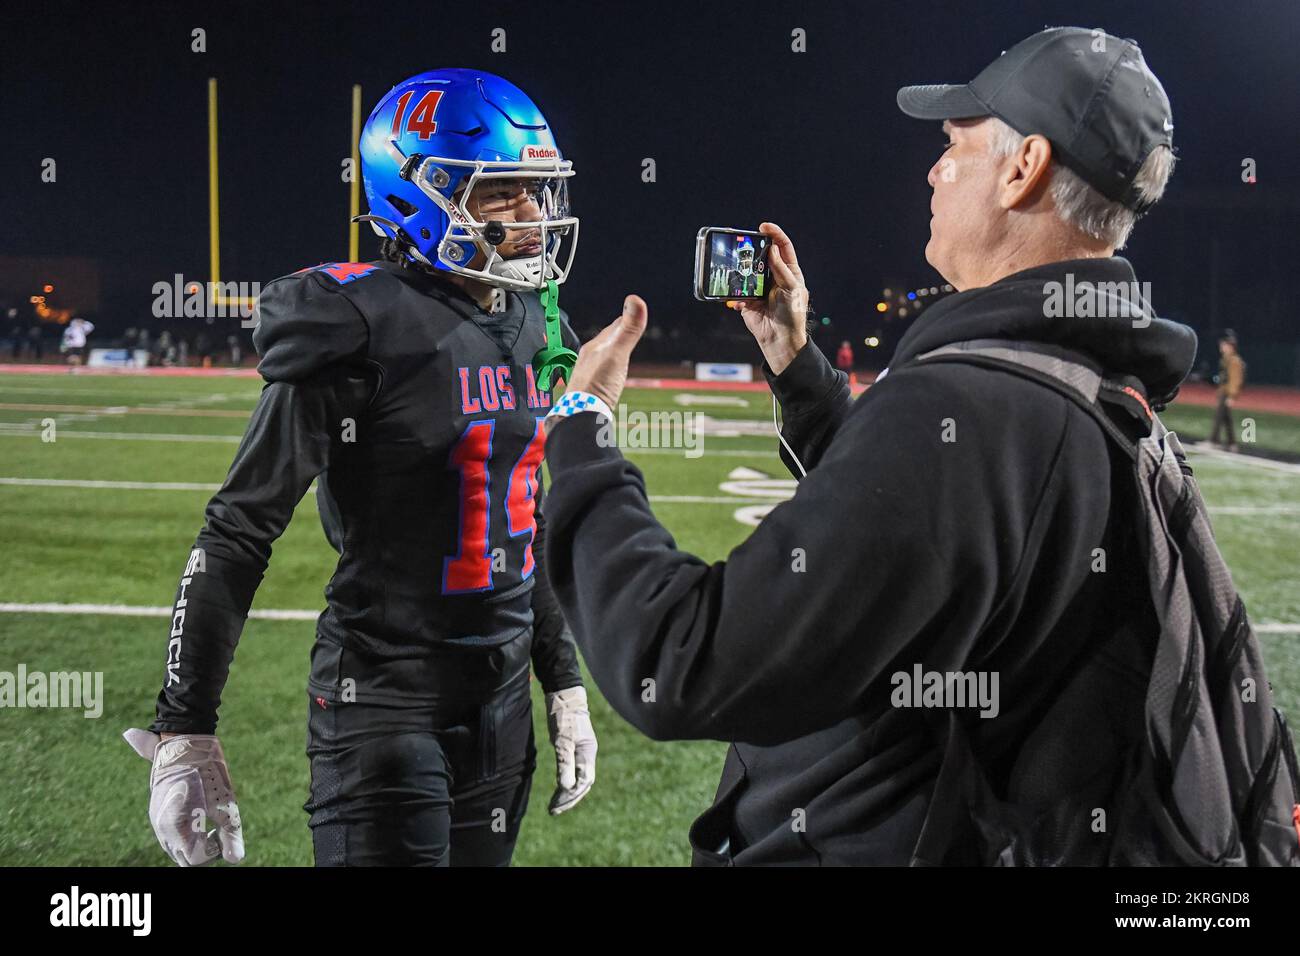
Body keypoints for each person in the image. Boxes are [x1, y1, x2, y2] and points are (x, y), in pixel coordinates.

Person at [541, 27, 1192, 864]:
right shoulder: (1091, 383)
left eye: (955, 146)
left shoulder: (969, 403)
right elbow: (939, 531)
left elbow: (676, 664)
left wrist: (584, 428)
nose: (933, 170)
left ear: (1024, 167)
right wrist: (795, 362)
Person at [124, 69, 595, 867]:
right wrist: (184, 729)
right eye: (503, 192)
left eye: (539, 191)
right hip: (380, 703)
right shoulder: (356, 327)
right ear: (419, 195)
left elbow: (527, 513)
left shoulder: (530, 323)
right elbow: (239, 529)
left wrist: (563, 678)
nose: (535, 217)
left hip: (502, 707)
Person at [1209, 330, 1246, 451]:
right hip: (1223, 392)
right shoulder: (1226, 359)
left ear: (1230, 347)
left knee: (1219, 417)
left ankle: (1213, 441)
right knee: (1226, 419)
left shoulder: (1234, 361)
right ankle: (1232, 443)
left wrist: (1231, 396)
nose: (1221, 347)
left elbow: (1235, 380)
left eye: (1224, 345)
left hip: (1227, 393)